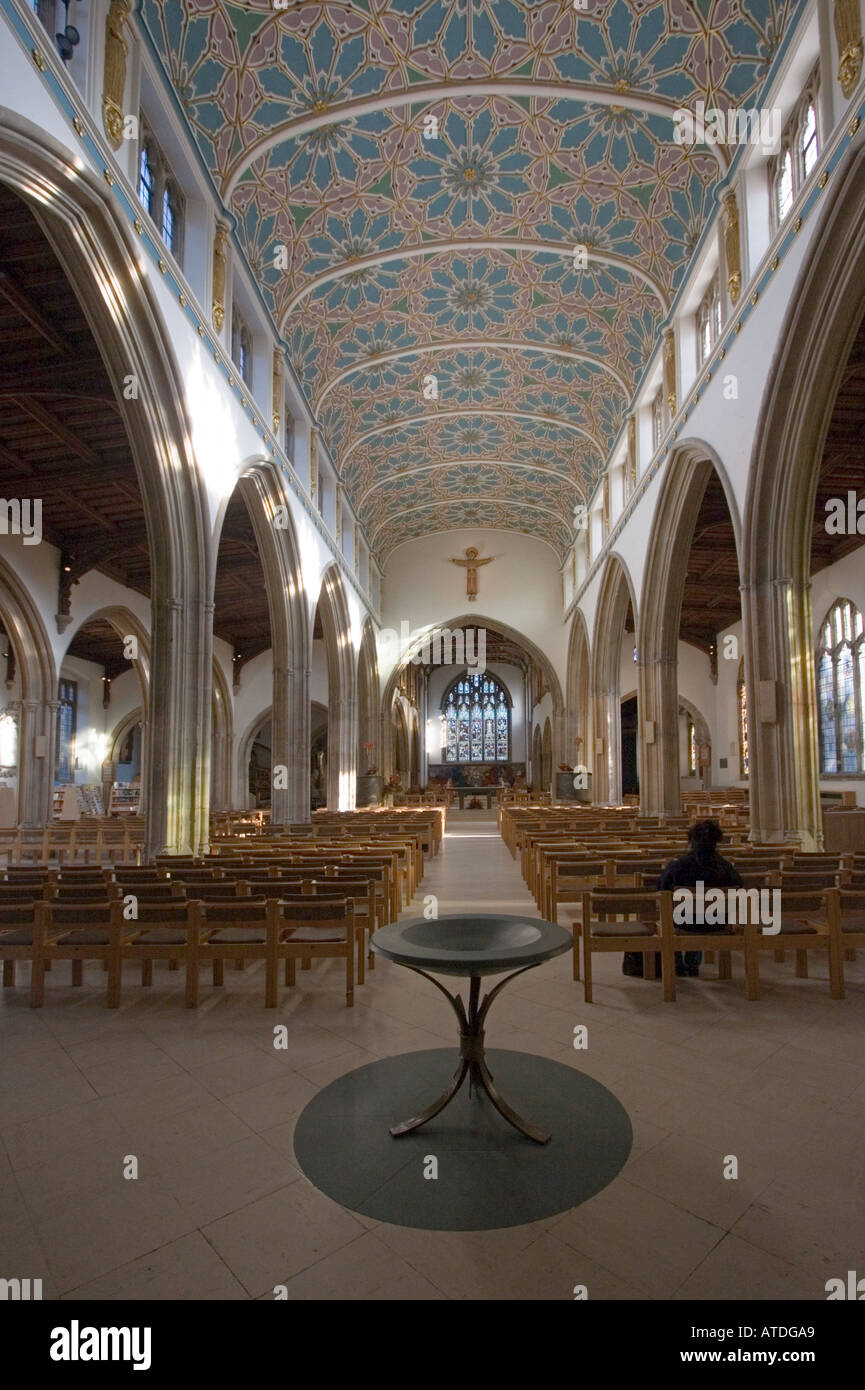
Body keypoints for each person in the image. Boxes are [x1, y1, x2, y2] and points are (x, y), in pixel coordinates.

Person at [622, 819, 743, 979]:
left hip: (684, 923)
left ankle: (678, 962)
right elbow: (739, 889)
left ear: (691, 841)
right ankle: (692, 964)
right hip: (718, 923)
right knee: (699, 914)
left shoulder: (679, 866)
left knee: (678, 914)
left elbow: (662, 889)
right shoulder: (726, 868)